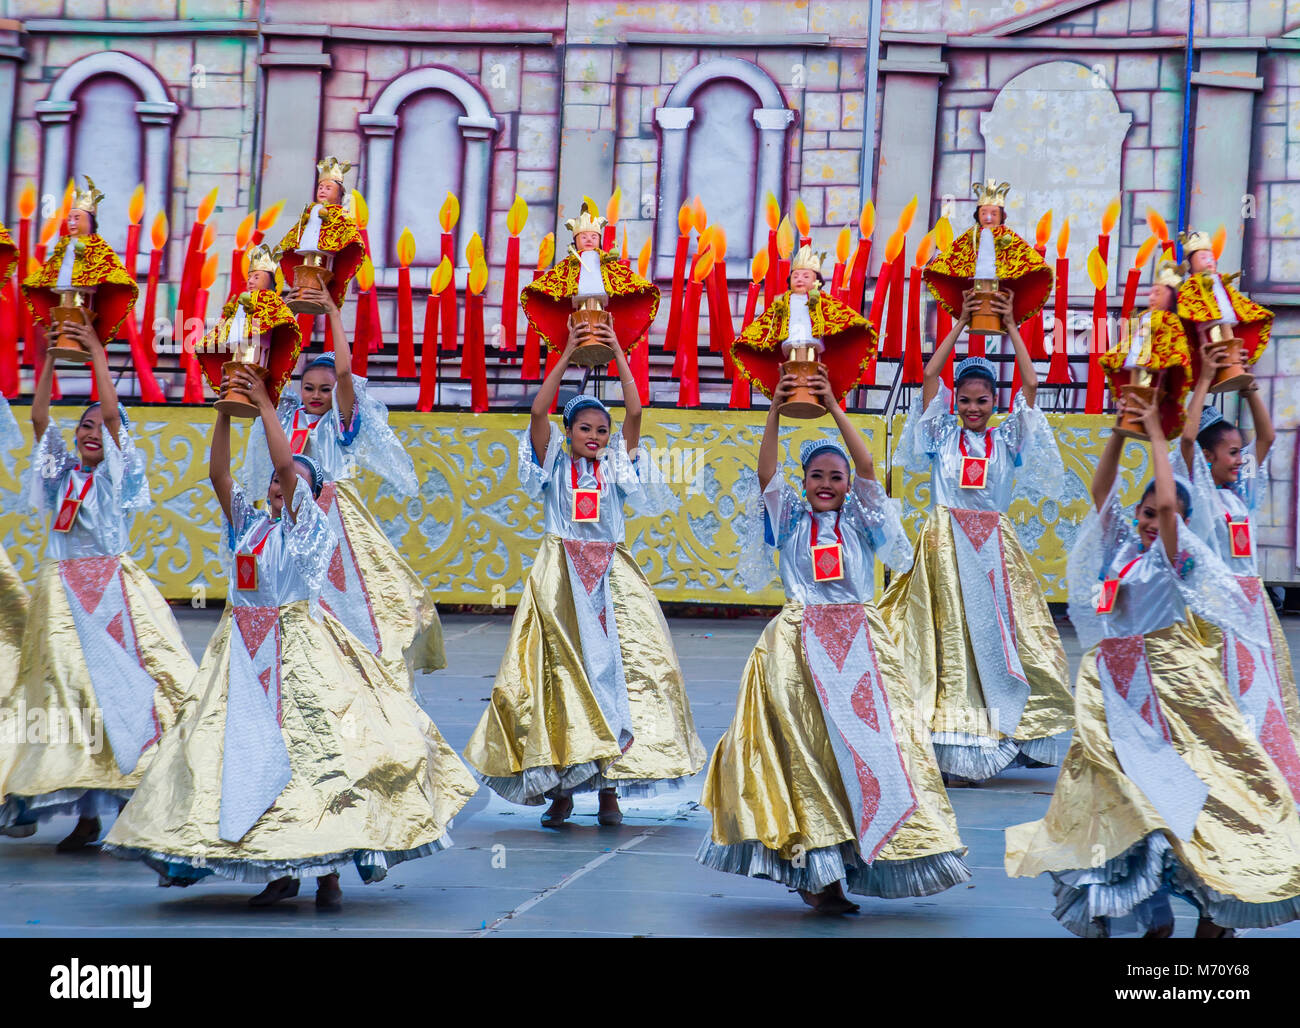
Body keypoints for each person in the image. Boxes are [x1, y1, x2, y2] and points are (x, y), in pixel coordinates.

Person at [104, 366, 476, 908]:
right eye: (277, 481)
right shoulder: (249, 525)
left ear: (309, 492)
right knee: (245, 752)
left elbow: (285, 461)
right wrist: (224, 416)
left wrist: (266, 405)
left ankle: (328, 871)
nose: (280, 484)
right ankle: (279, 867)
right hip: (243, 648)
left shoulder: (312, 528)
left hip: (298, 648)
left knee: (313, 757)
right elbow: (218, 476)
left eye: (293, 480)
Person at [1006, 394, 1300, 937]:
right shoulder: (1121, 544)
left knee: (1180, 795)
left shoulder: (1177, 553)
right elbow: (1102, 493)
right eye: (1142, 513)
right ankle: (1149, 911)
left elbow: (1169, 509)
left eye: (1160, 516)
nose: (1150, 521)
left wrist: (1160, 440)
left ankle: (1214, 908)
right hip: (1112, 688)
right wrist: (1120, 433)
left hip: (1164, 684)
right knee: (1117, 795)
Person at [698, 369, 969, 913]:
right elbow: (766, 471)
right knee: (808, 756)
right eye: (817, 475)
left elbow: (868, 467)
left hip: (860, 649)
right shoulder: (792, 517)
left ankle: (854, 860)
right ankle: (817, 874)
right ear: (805, 482)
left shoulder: (865, 522)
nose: (827, 482)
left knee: (870, 755)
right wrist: (776, 408)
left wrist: (834, 406)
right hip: (798, 647)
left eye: (836, 477)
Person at [463, 319, 705, 826]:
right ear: (567, 433)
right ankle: (561, 791)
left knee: (617, 680)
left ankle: (610, 791)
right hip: (560, 579)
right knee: (559, 681)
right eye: (584, 428)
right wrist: (569, 351)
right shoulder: (552, 463)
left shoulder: (617, 464)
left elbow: (635, 411)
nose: (594, 436)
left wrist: (617, 349)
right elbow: (536, 411)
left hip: (610, 578)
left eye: (602, 430)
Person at [0, 325, 195, 850]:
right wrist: (46, 362)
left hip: (109, 593)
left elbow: (112, 418)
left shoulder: (115, 476)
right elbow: (40, 420)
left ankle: (133, 795)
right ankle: (84, 810)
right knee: (65, 698)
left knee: (118, 696)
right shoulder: (62, 474)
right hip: (60, 597)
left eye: (97, 429)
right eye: (82, 425)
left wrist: (96, 356)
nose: (90, 433)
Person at [880, 289, 1072, 782]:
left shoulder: (1008, 438)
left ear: (994, 402)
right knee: (948, 640)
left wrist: (1010, 327)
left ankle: (1010, 728)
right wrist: (962, 322)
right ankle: (946, 739)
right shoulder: (941, 434)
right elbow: (927, 378)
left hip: (991, 549)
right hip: (945, 545)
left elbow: (1030, 386)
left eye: (981, 400)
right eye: (964, 399)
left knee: (1001, 639)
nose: (971, 407)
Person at [238, 283, 443, 681]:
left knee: (345, 599)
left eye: (325, 389)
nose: (315, 395)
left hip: (333, 515)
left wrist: (332, 311)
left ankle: (358, 670)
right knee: (291, 594)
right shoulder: (286, 420)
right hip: (289, 516)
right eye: (309, 387)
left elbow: (346, 371)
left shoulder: (340, 422)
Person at [1176, 340, 1300, 802]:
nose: (1240, 458)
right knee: (1227, 689)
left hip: (1252, 605)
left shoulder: (1240, 495)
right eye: (1231, 452)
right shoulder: (1200, 495)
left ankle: (1261, 767)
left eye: (1238, 452)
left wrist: (1249, 390)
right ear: (1209, 460)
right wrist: (1205, 379)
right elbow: (1187, 440)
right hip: (1218, 606)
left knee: (1260, 689)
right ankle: (1225, 770)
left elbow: (1266, 440)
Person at [731, 244, 878, 408]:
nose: (800, 279)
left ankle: (811, 389)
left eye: (805, 276)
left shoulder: (819, 298)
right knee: (792, 359)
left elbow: (837, 314)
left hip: (810, 334)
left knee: (811, 358)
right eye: (796, 276)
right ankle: (793, 389)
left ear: (816, 281)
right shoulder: (784, 299)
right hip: (792, 334)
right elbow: (770, 320)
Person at [923, 179, 1054, 329]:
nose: (988, 217)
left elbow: (1024, 258)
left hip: (999, 287)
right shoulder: (971, 236)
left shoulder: (1008, 237)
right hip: (976, 286)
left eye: (993, 213)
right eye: (984, 213)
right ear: (977, 215)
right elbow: (952, 258)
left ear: (1001, 216)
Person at [22, 176, 137, 344]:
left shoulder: (96, 244)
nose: (72, 223)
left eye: (77, 218)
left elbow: (107, 265)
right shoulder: (65, 244)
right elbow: (54, 264)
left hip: (83, 280)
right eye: (70, 218)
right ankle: (64, 336)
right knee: (65, 303)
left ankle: (79, 339)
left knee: (82, 305)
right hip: (65, 278)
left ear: (88, 221)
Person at [276, 157, 366, 310]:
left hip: (327, 243)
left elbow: (345, 228)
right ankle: (305, 287)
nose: (323, 190)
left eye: (328, 188)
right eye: (320, 187)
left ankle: (322, 288)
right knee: (308, 261)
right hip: (309, 239)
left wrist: (327, 217)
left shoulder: (339, 213)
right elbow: (299, 228)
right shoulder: (311, 209)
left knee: (326, 262)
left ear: (338, 195)